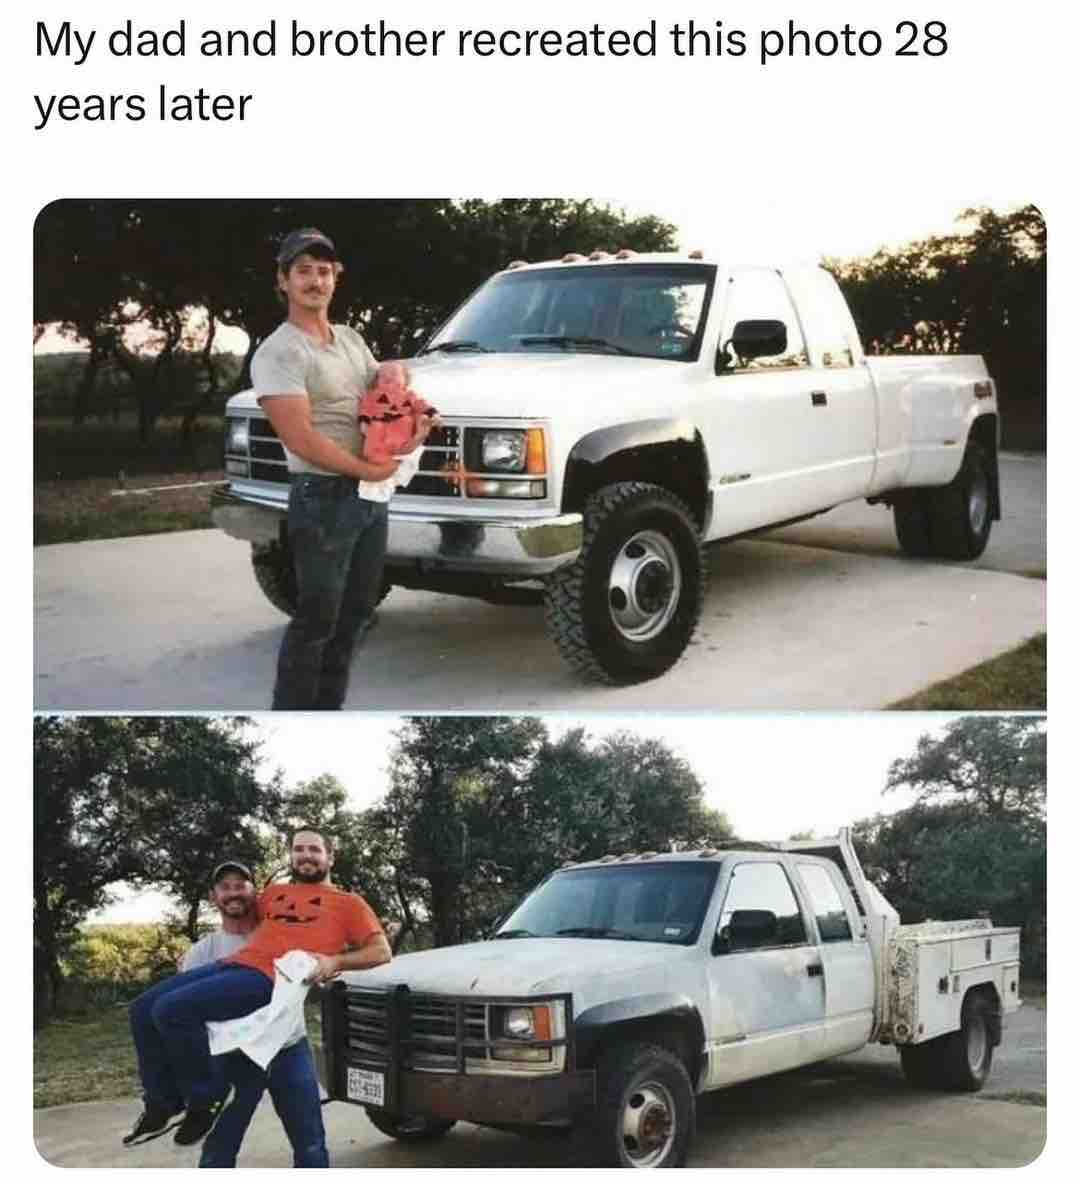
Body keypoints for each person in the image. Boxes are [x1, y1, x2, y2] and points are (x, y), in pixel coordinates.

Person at [251, 228, 437, 710]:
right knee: (318, 618)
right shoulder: (279, 352)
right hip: (323, 496)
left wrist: (402, 392)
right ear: (283, 281)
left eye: (324, 271)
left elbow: (382, 387)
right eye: (304, 271)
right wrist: (366, 470)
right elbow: (300, 438)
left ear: (336, 278)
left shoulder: (351, 339)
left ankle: (327, 708)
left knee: (356, 616)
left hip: (370, 497)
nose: (315, 281)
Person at [124, 829, 391, 1149]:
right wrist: (201, 948)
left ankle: (207, 1097)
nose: (306, 855)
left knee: (171, 1011)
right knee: (141, 1009)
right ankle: (161, 1103)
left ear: (330, 857)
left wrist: (334, 962)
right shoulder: (274, 893)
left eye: (314, 849)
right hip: (235, 964)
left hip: (273, 977)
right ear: (291, 856)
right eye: (298, 849)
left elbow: (381, 951)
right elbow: (237, 907)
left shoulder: (349, 903)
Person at [175, 860, 330, 1168]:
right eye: (225, 887)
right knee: (219, 1148)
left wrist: (325, 970)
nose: (233, 893)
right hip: (233, 1059)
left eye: (240, 885)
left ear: (254, 892)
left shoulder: (285, 937)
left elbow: (316, 979)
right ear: (213, 897)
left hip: (289, 1052)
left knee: (311, 1144)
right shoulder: (202, 953)